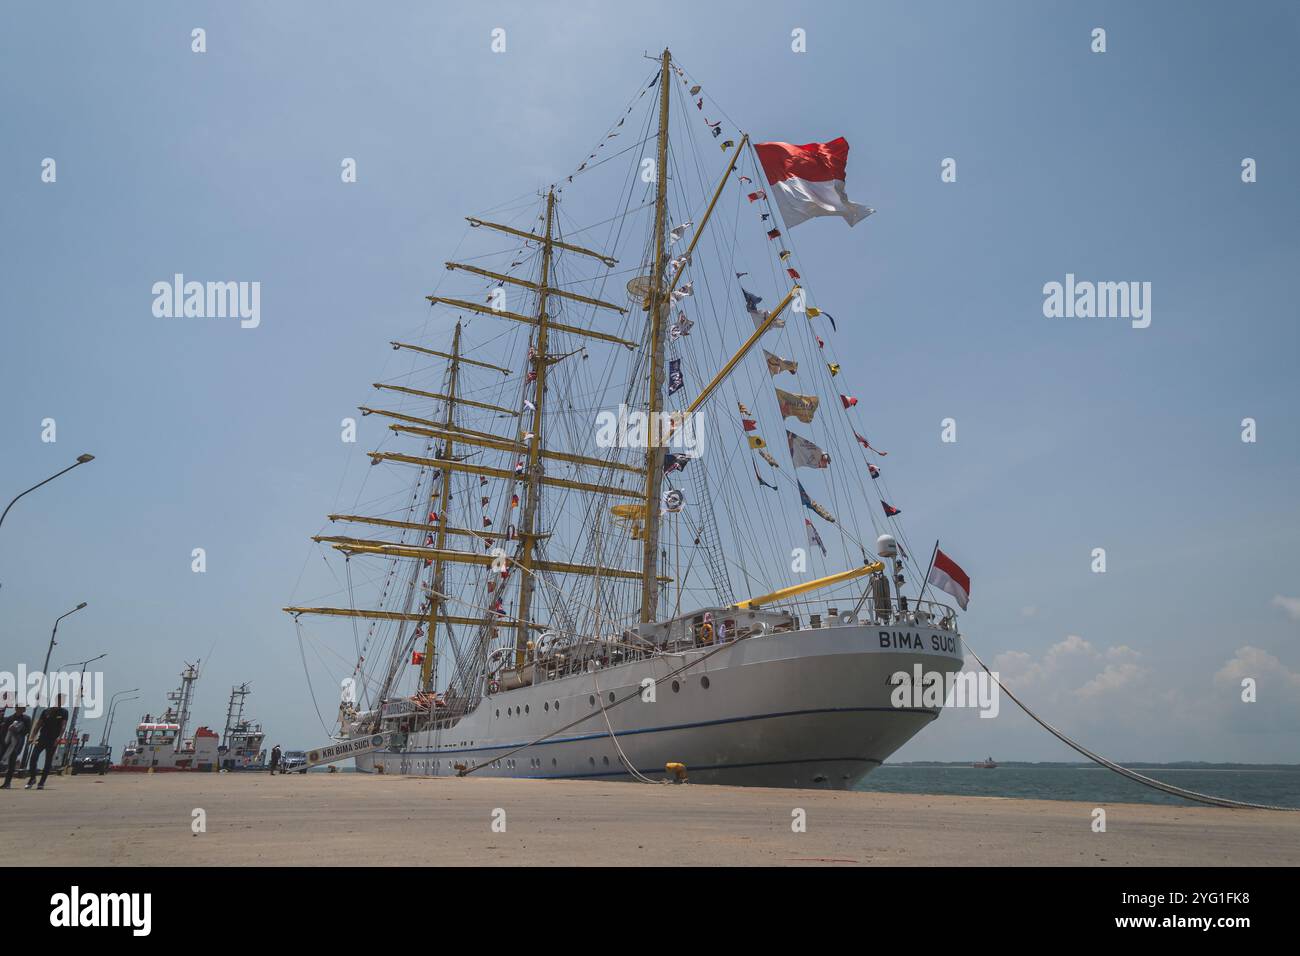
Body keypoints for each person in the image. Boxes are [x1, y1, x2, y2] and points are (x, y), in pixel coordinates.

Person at [24, 696, 68, 790]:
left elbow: (63, 726)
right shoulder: (46, 712)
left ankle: (42, 782)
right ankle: (32, 778)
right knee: (33, 757)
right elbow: (38, 725)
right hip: (42, 738)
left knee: (48, 761)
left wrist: (59, 737)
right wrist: (32, 736)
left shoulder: (64, 712)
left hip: (53, 740)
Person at [1, 707, 32, 787]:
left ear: (24, 710)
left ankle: (7, 783)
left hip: (17, 743)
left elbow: (28, 730)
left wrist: (18, 729)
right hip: (7, 742)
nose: (20, 710)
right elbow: (3, 731)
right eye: (19, 708)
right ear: (16, 709)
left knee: (12, 761)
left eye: (22, 708)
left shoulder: (26, 719)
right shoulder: (9, 718)